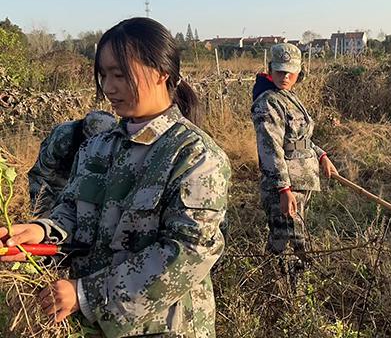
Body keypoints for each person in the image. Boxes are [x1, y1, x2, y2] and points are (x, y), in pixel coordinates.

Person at [0, 17, 231, 338]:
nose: (108, 87)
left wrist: (86, 295)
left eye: (120, 75)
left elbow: (188, 252)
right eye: (104, 75)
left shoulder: (194, 155)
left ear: (161, 72)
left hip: (164, 327)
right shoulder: (98, 145)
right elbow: (73, 213)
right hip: (96, 326)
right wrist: (40, 231)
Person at [251, 43, 337, 277]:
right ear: (271, 69)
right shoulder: (268, 102)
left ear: (299, 72)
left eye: (290, 71)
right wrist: (283, 188)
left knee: (288, 233)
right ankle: (283, 281)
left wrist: (321, 155)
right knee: (289, 236)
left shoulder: (288, 96)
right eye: (279, 71)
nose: (285, 76)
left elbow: (300, 137)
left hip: (300, 180)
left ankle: (287, 278)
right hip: (285, 182)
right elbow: (270, 148)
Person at [28, 110, 117, 217]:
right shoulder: (63, 136)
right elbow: (43, 172)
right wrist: (43, 209)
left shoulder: (115, 141)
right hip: (60, 166)